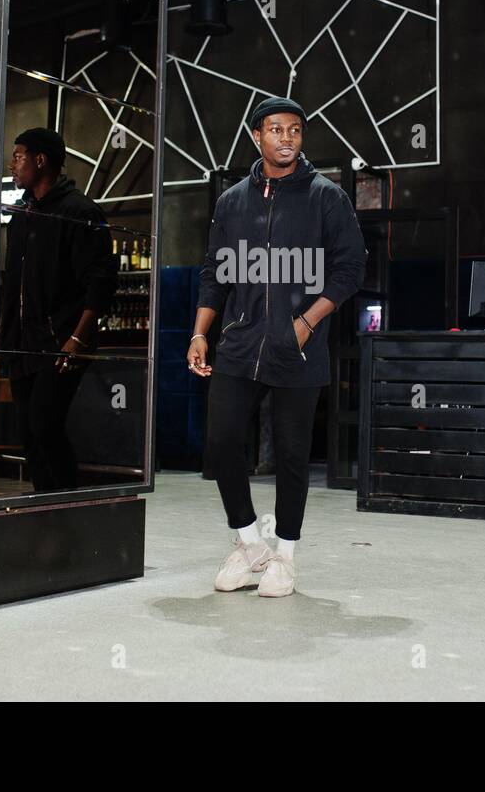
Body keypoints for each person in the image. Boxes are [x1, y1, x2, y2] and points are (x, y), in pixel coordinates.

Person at [188, 97, 367, 597]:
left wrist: (307, 322)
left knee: (291, 455)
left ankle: (284, 555)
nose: (286, 138)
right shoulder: (232, 202)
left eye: (295, 130)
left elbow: (351, 268)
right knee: (221, 442)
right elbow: (214, 273)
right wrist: (201, 331)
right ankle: (249, 544)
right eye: (275, 130)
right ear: (256, 137)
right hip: (240, 344)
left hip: (297, 347)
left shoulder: (325, 196)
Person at [0, 127, 117, 492]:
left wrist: (77, 338)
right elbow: (12, 281)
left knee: (45, 425)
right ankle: (43, 507)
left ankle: (65, 506)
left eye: (18, 156)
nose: (12, 164)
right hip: (22, 343)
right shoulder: (22, 214)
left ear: (40, 160)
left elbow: (101, 281)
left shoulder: (79, 211)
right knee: (29, 434)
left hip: (61, 342)